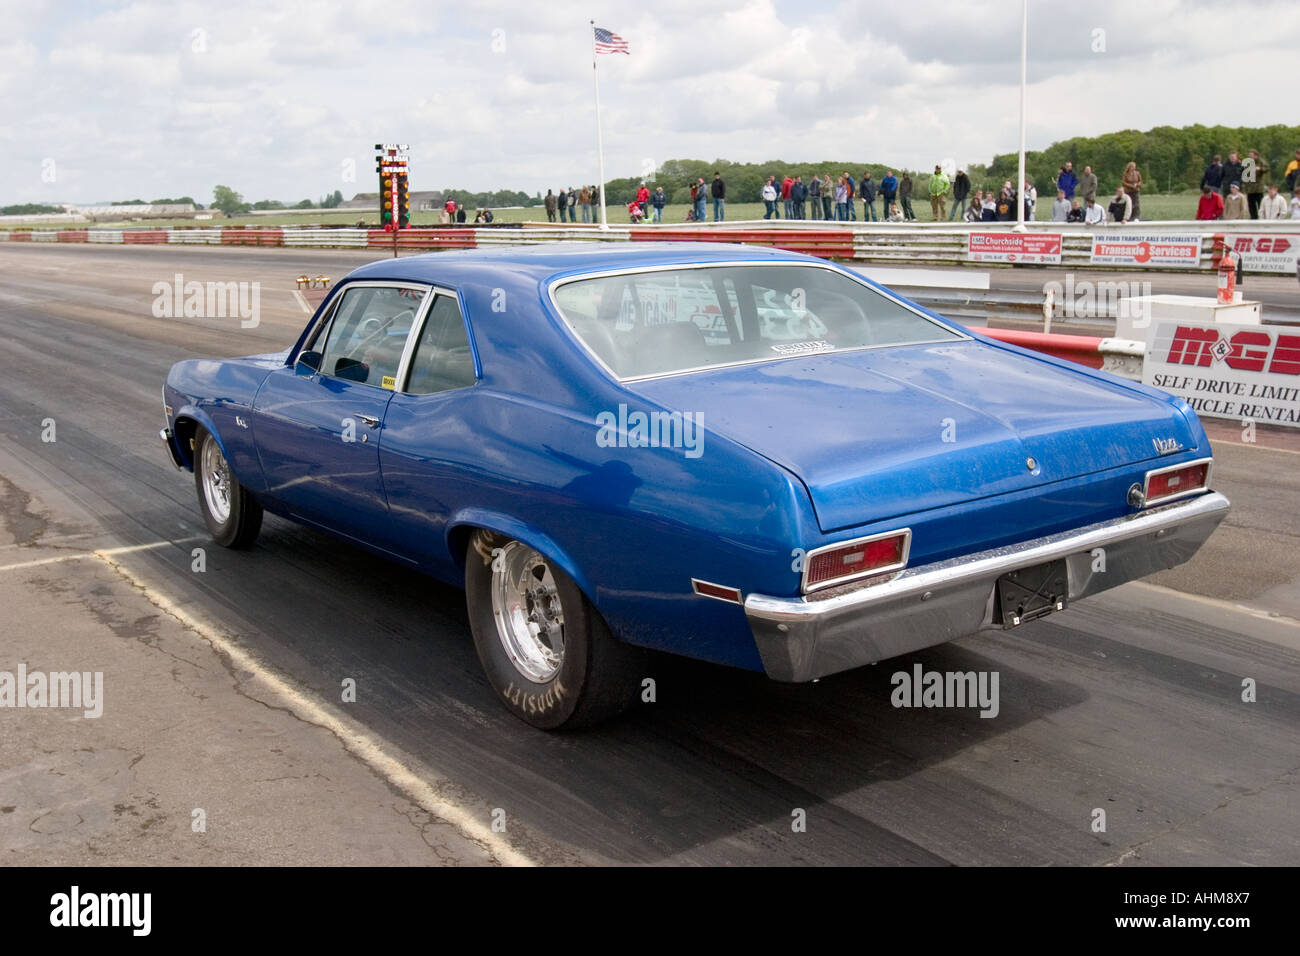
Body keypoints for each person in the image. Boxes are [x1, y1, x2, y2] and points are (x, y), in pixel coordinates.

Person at [1244, 149, 1269, 219]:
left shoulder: (1261, 162)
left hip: (1258, 189)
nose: (1250, 157)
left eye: (1251, 155)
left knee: (1261, 206)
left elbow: (1267, 168)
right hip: (1250, 189)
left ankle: (1263, 219)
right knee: (1251, 206)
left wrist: (1260, 169)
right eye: (1250, 155)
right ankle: (1253, 219)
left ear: (1256, 156)